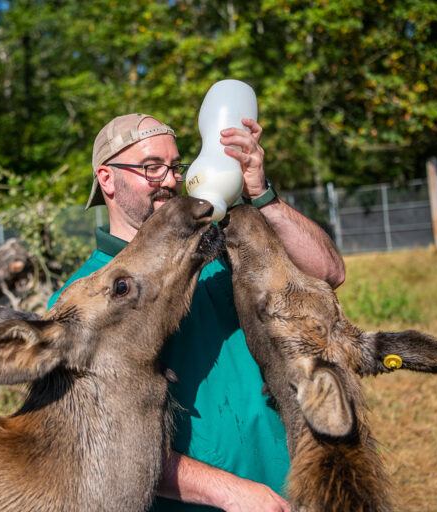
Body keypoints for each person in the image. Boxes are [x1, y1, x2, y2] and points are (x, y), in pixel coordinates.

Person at [47, 113, 345, 512]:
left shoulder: (218, 250)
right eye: (151, 167)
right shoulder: (80, 300)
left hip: (288, 484)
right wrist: (226, 491)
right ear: (106, 179)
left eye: (175, 167)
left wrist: (262, 195)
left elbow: (327, 272)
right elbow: (101, 441)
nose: (170, 181)